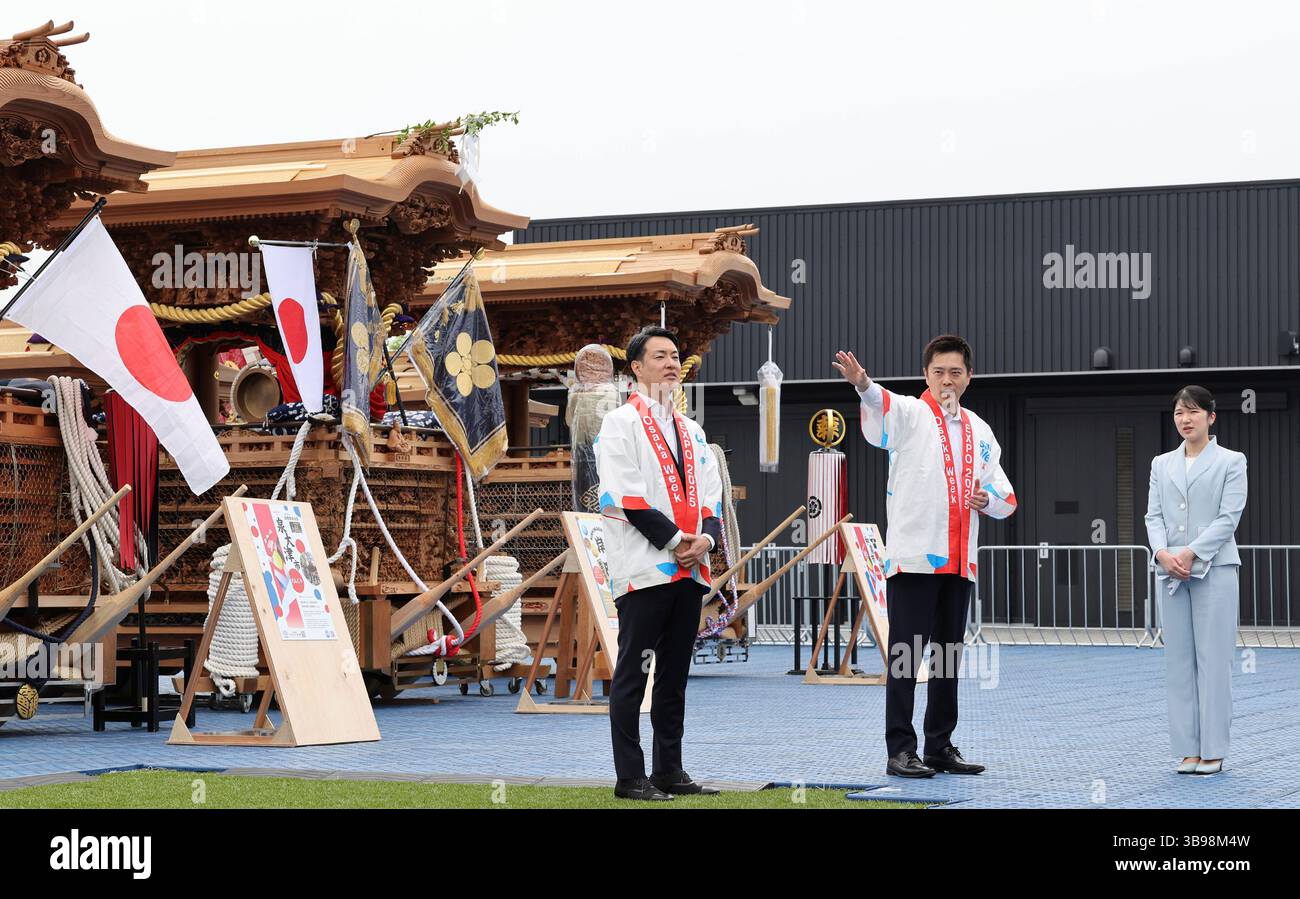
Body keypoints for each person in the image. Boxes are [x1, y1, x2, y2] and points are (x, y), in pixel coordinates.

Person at [833, 335, 1017, 778]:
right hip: (914, 559)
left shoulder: (980, 429)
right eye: (939, 372)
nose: (947, 381)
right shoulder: (912, 414)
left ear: (969, 378)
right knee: (905, 656)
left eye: (956, 372)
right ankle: (900, 748)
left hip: (959, 561)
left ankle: (939, 743)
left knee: (948, 656)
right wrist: (862, 385)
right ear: (926, 376)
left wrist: (985, 498)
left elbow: (1006, 496)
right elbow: (883, 406)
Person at [596, 326, 724, 801]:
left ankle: (670, 769)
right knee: (634, 673)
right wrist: (675, 540)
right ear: (636, 368)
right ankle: (630, 776)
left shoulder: (692, 431)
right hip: (645, 565)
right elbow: (625, 495)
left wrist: (705, 542)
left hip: (690, 569)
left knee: (674, 676)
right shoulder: (619, 423)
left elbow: (711, 498)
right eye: (660, 356)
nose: (672, 363)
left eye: (675, 355)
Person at [1144, 386, 1247, 776]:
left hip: (1215, 569)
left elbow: (1228, 517)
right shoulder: (1161, 464)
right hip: (1170, 572)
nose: (1185, 420)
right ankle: (1187, 749)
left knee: (1214, 660)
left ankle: (1214, 749)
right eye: (1178, 414)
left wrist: (1190, 552)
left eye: (1193, 412)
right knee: (1178, 661)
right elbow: (1153, 516)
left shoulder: (1231, 461)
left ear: (1211, 417)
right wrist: (1162, 553)